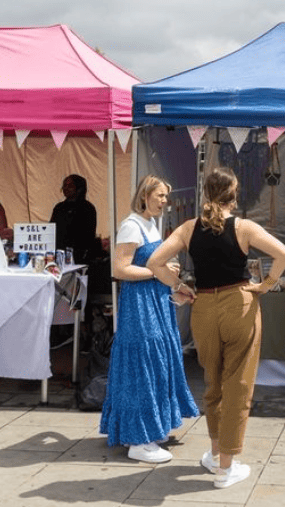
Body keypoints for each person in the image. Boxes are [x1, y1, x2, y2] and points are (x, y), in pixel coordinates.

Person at [147, 167, 285, 489]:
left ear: (205, 193)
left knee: (213, 384)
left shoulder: (187, 228)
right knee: (238, 385)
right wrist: (266, 285)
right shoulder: (243, 227)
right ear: (233, 193)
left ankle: (215, 455)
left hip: (204, 308)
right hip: (238, 303)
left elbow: (154, 263)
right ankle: (226, 466)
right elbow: (283, 253)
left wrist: (180, 285)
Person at [99, 175, 199, 464]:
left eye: (166, 196)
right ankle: (138, 439)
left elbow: (150, 264)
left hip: (155, 302)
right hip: (140, 305)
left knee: (156, 361)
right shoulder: (131, 225)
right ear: (145, 196)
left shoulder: (149, 225)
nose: (165, 201)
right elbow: (120, 269)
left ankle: (149, 428)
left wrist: (168, 271)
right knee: (142, 363)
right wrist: (158, 271)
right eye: (160, 196)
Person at [49, 174, 97, 264]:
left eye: (70, 186)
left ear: (79, 189)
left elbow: (88, 235)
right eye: (64, 186)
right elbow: (51, 229)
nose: (66, 188)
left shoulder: (87, 208)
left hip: (79, 256)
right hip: (59, 254)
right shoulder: (59, 208)